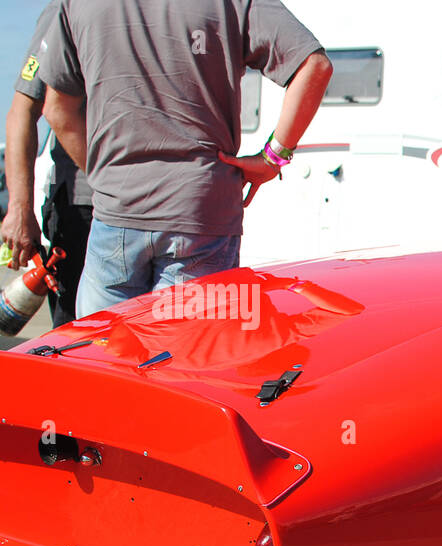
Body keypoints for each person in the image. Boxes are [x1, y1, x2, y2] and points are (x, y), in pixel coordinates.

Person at [37, 0, 333, 318]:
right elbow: (314, 66)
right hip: (200, 213)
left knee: (102, 354)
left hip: (116, 214)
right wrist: (273, 158)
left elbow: (57, 110)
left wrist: (106, 176)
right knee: (186, 359)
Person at [1, 1, 93, 326]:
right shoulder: (67, 10)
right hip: (85, 208)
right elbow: (23, 111)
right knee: (80, 341)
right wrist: (20, 208)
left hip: (162, 202)